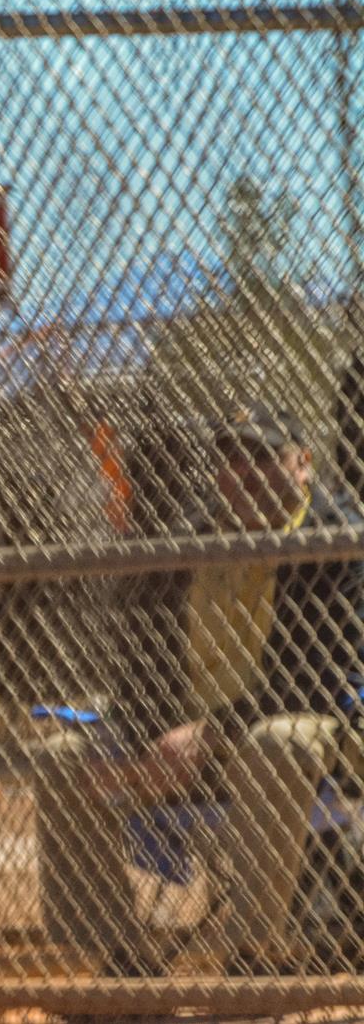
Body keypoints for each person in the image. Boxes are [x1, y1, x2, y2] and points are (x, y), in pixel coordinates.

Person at [35, 404, 364, 986]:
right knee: (59, 756)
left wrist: (213, 736)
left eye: (262, 458)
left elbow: (320, 675)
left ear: (303, 464)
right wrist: (141, 752)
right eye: (231, 462)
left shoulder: (338, 538)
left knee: (276, 743)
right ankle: (121, 955)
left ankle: (252, 956)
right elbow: (141, 663)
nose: (244, 474)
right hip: (190, 742)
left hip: (317, 733)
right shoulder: (189, 540)